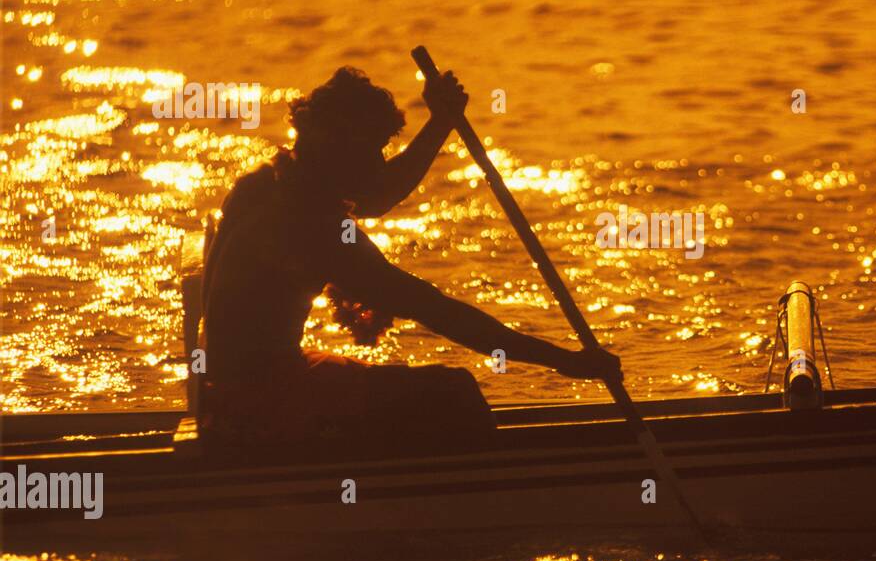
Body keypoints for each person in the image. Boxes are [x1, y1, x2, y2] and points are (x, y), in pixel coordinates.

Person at [200, 65, 619, 452]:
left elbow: (378, 192)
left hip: (225, 390)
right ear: (339, 148)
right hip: (256, 406)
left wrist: (441, 121)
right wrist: (567, 362)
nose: (379, 162)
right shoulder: (311, 228)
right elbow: (437, 311)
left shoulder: (267, 182)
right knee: (451, 391)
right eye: (372, 149)